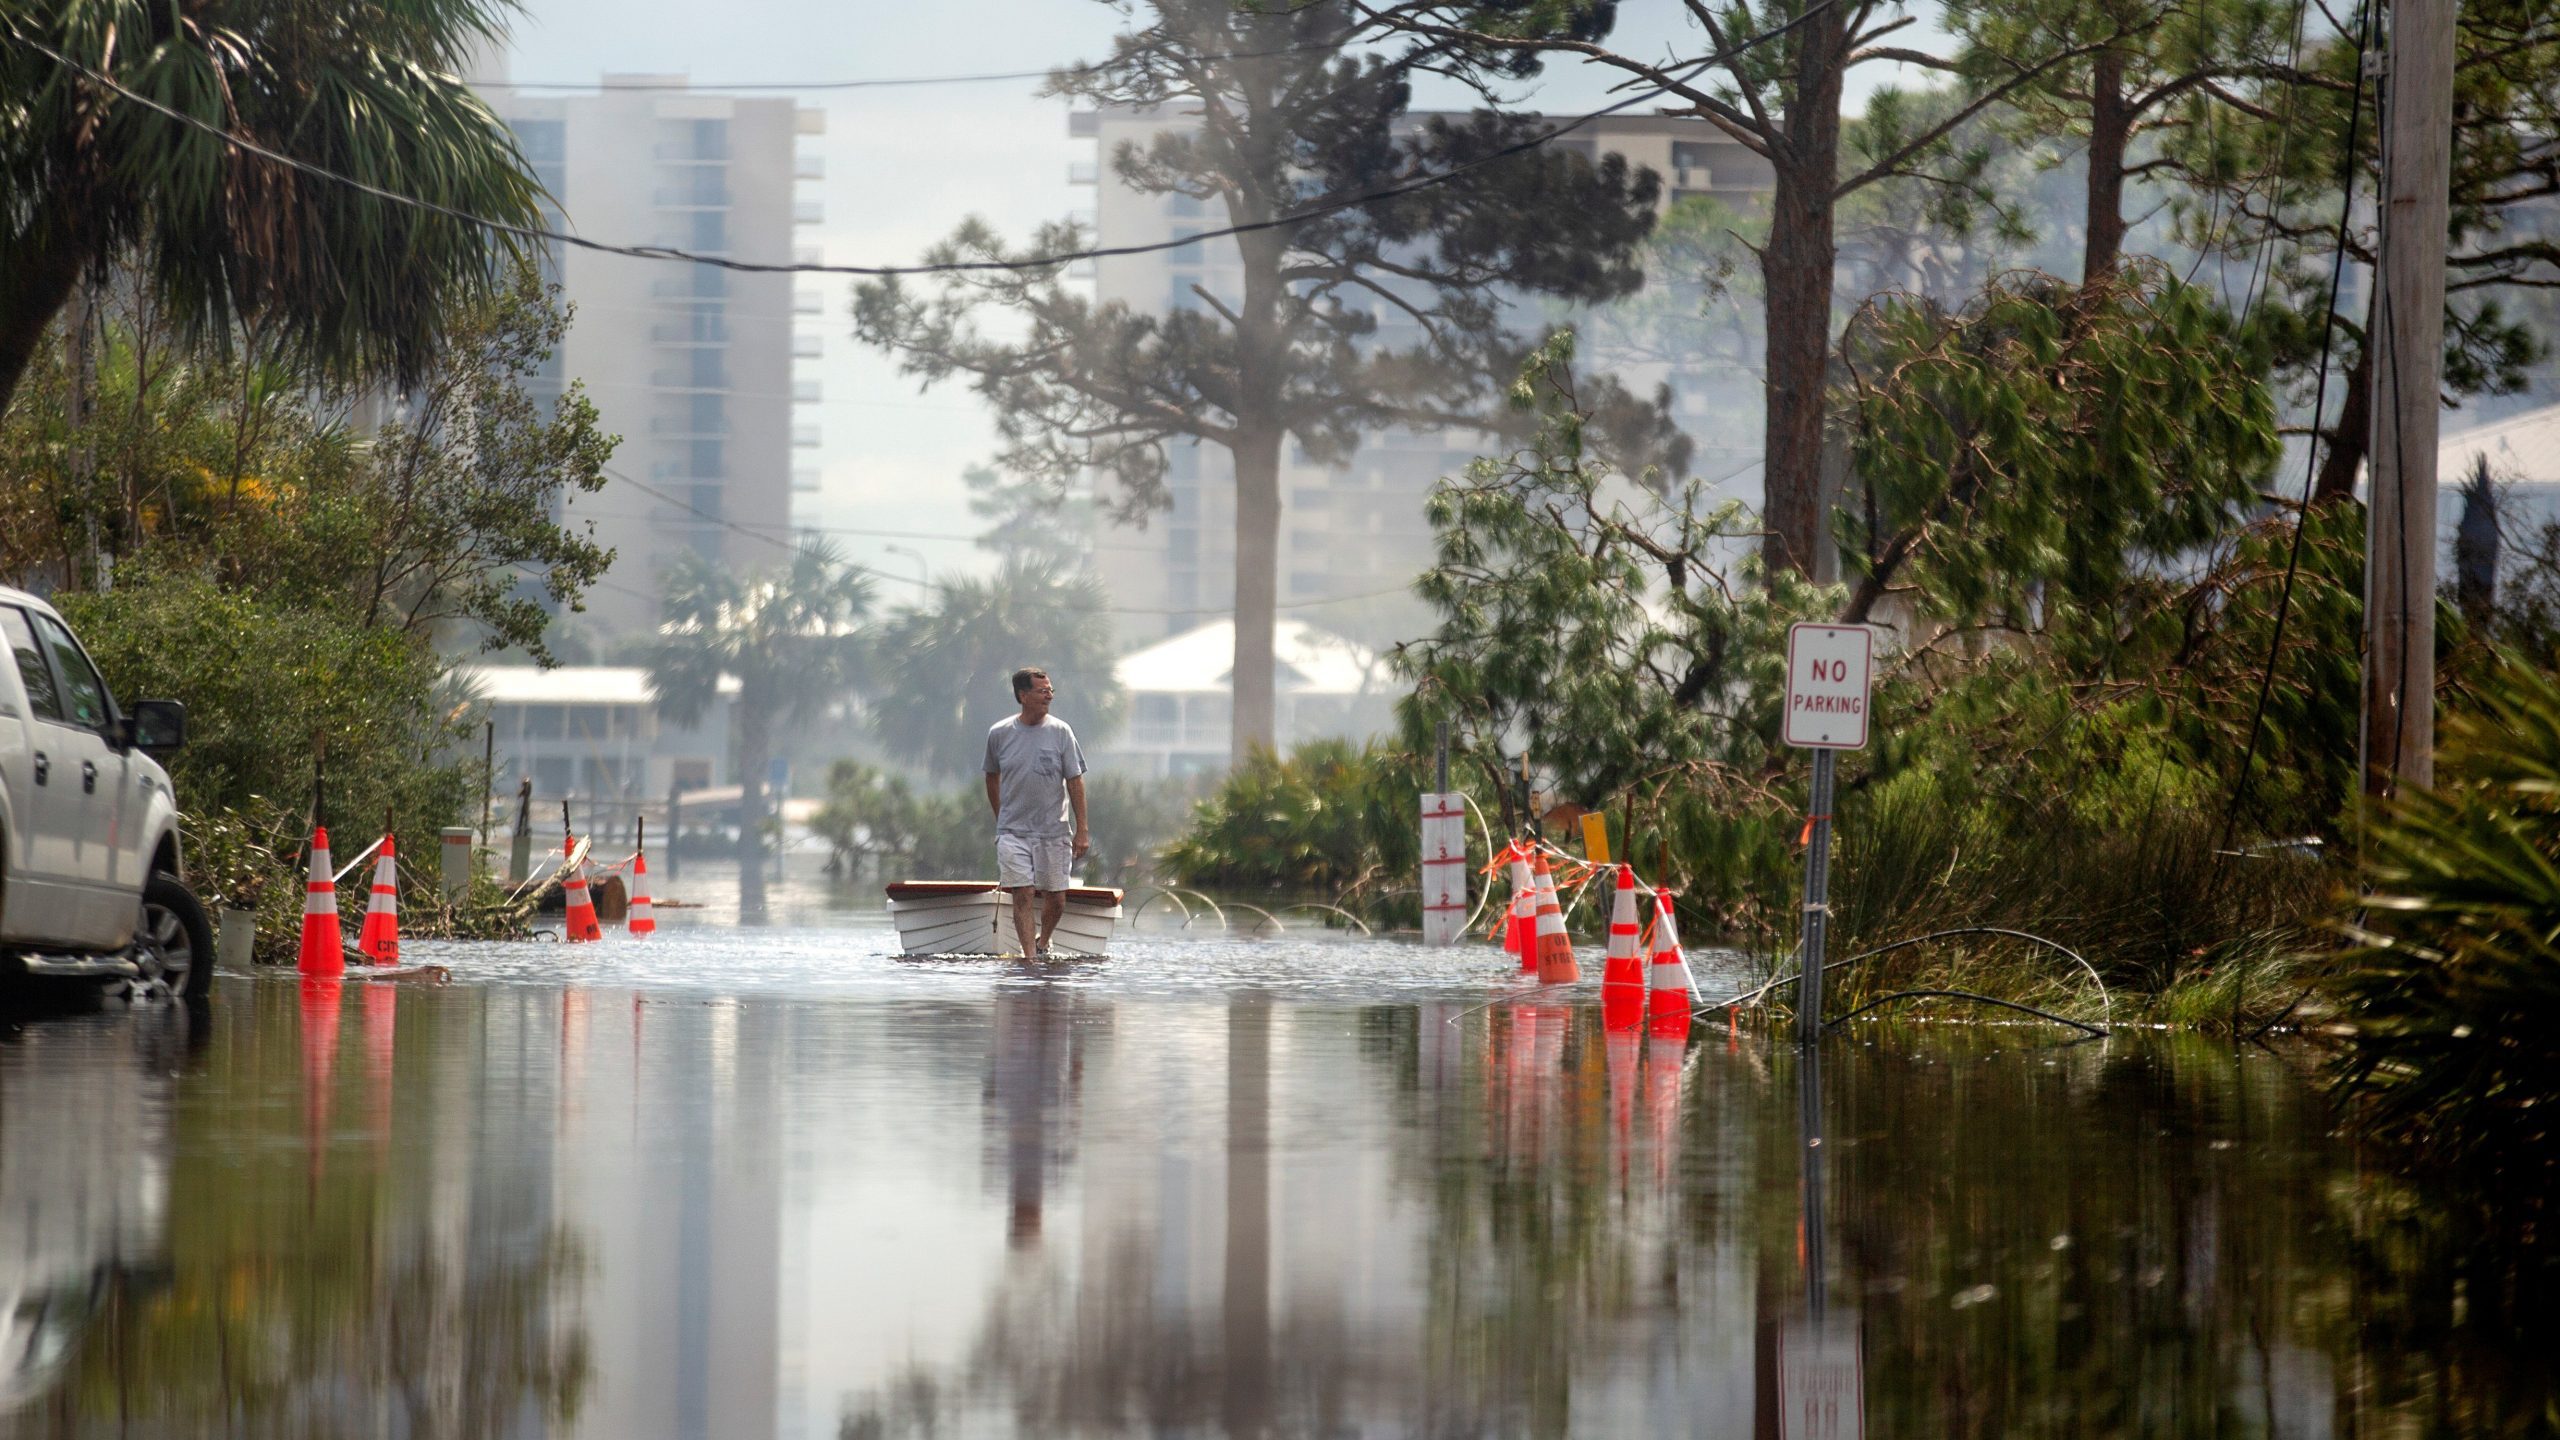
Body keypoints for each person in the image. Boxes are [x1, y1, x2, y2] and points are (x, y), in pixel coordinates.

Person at [983, 666, 1090, 955]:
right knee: (1024, 893)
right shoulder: (1000, 733)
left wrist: (1082, 829)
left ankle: (1043, 943)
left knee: (1056, 898)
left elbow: (1075, 781)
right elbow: (991, 776)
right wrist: (1001, 815)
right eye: (1042, 691)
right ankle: (1029, 959)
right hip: (1012, 832)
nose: (1049, 696)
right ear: (1023, 695)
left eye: (1050, 690)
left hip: (1053, 830)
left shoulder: (1061, 732)